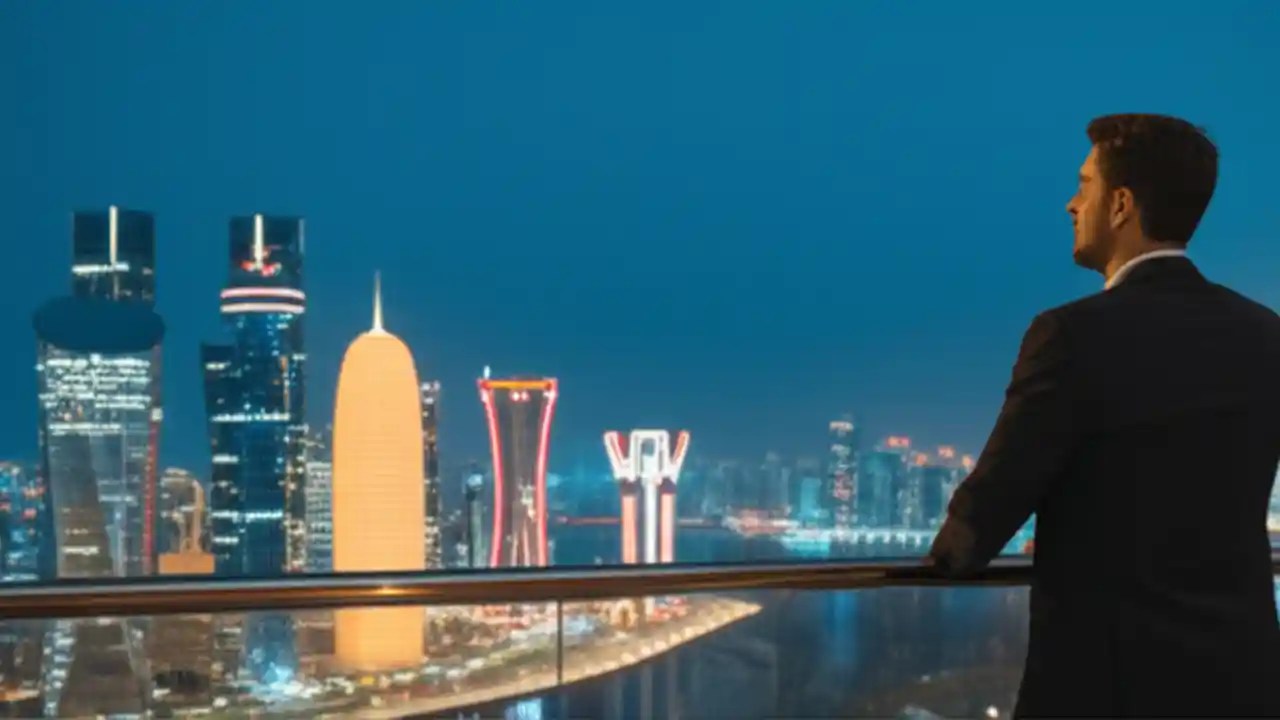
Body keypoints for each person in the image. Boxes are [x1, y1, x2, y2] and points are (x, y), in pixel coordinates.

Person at [928, 114, 1280, 717]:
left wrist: (945, 556)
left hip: (1106, 686)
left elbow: (990, 506)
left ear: (1120, 205)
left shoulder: (1071, 336)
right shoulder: (1264, 335)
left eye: (1084, 185)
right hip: (1241, 682)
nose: (1070, 204)